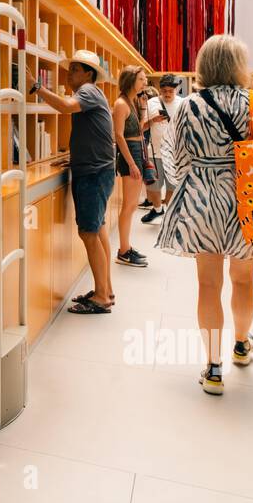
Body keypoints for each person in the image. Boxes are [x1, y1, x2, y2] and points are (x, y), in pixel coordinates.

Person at [156, 35, 253, 395]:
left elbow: (176, 160)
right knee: (243, 280)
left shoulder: (187, 106)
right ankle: (242, 345)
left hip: (201, 199)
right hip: (245, 200)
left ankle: (213, 369)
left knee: (208, 284)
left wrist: (199, 178)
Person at [26, 51, 117, 314]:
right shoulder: (90, 93)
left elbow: (65, 107)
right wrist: (75, 158)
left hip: (93, 173)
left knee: (88, 233)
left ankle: (101, 297)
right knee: (96, 230)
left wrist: (37, 87)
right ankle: (105, 289)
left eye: (75, 69)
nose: (69, 73)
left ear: (89, 74)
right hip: (93, 168)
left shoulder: (87, 90)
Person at [112, 66, 151, 268]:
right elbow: (118, 135)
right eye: (141, 79)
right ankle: (124, 251)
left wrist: (146, 114)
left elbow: (137, 129)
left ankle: (126, 247)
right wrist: (131, 163)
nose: (145, 83)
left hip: (136, 150)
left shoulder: (132, 102)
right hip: (130, 154)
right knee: (128, 205)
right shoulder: (120, 104)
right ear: (131, 80)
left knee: (133, 205)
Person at [142, 74, 184, 223]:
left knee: (173, 185)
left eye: (170, 91)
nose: (167, 94)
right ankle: (158, 209)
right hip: (155, 152)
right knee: (153, 187)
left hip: (175, 154)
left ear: (177, 90)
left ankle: (168, 210)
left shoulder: (183, 103)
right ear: (160, 90)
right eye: (164, 91)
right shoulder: (152, 102)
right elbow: (142, 126)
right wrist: (153, 120)